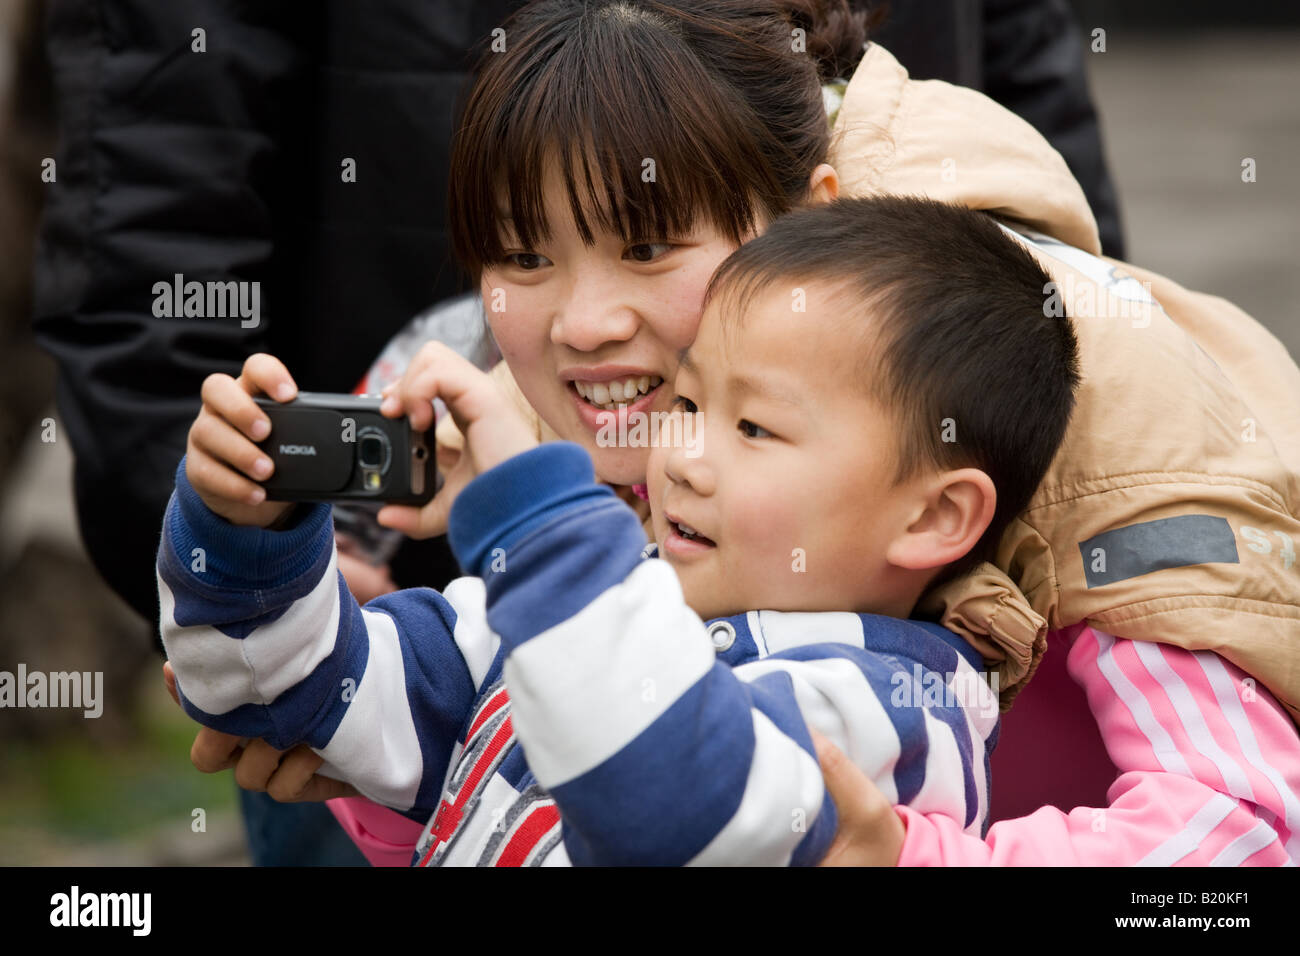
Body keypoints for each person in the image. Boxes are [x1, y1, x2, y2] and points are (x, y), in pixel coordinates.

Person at [176, 0, 1300, 866]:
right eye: (522, 256)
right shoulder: (644, 403)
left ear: (803, 214)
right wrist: (389, 736)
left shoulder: (1096, 402)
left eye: (650, 244)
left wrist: (905, 858)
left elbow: (1232, 848)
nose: (582, 321)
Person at [161, 193, 1085, 864]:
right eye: (686, 402)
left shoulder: (892, 706)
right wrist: (247, 530)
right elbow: (283, 691)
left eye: (754, 426)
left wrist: (535, 511)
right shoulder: (565, 609)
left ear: (933, 515)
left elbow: (670, 808)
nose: (680, 455)